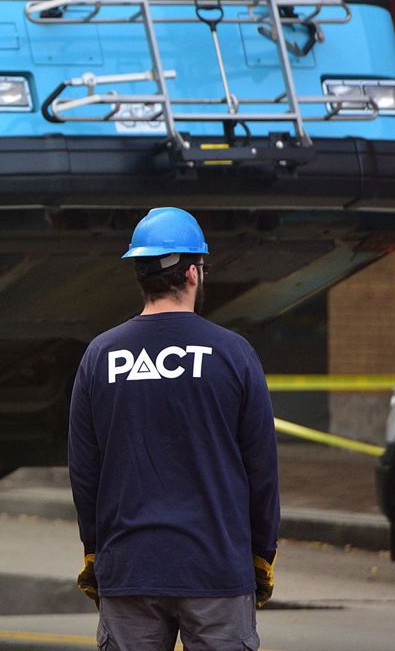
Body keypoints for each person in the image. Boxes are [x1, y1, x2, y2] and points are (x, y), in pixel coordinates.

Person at [68, 207, 280, 650]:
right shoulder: (233, 354)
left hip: (130, 569)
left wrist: (95, 551)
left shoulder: (100, 356)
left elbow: (85, 471)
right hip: (216, 570)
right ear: (193, 273)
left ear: (140, 274)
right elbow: (261, 469)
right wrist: (261, 555)